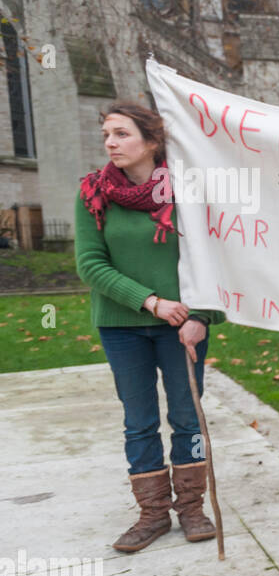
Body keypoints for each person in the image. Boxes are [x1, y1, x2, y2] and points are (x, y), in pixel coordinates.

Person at [75, 102, 226, 553]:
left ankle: (193, 507)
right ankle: (153, 513)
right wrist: (150, 301)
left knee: (187, 417)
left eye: (121, 134)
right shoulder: (92, 193)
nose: (110, 143)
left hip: (183, 329)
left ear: (152, 141)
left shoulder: (187, 191)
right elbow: (90, 263)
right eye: (107, 135)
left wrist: (201, 317)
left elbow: (212, 260)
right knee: (138, 423)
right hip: (122, 327)